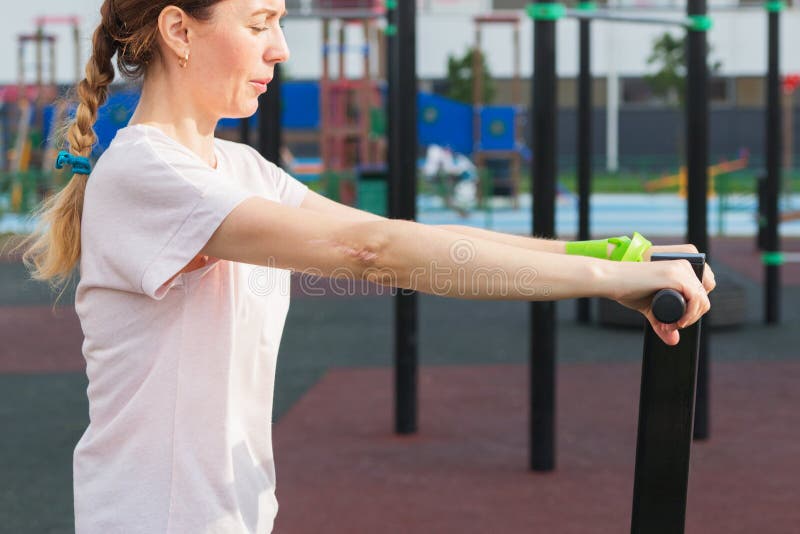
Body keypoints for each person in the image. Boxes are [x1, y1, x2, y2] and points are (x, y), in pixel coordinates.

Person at [11, 1, 714, 532]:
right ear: (179, 30)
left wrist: (617, 258)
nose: (280, 47)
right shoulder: (143, 173)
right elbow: (371, 256)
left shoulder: (239, 169)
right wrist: (610, 282)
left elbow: (392, 232)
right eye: (260, 23)